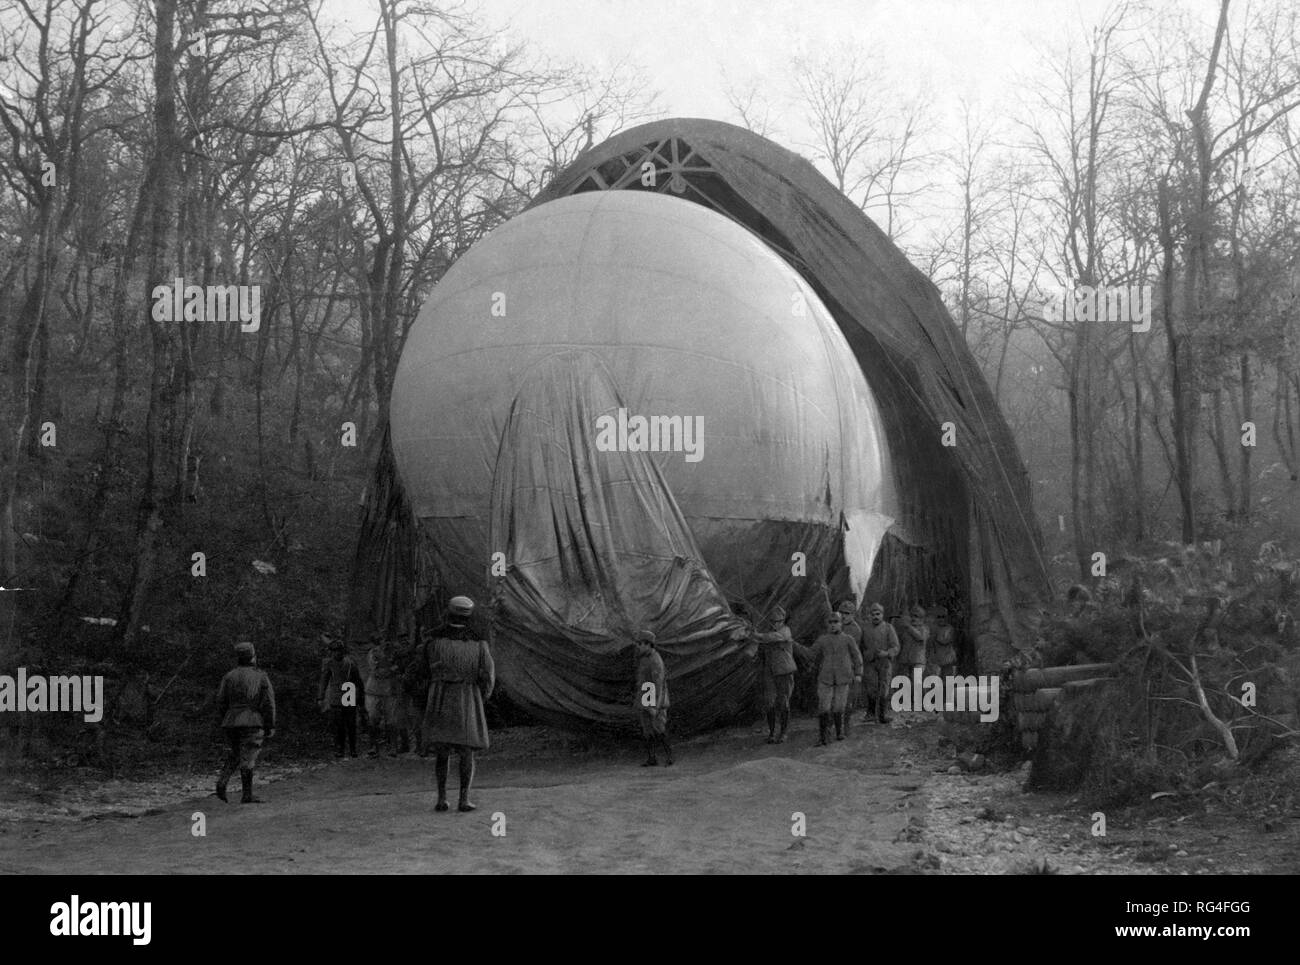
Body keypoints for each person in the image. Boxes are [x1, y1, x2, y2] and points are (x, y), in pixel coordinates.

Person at [423, 596, 495, 812]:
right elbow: (489, 676)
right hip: (467, 697)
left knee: (442, 750)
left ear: (448, 613)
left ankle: (442, 798)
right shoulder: (479, 644)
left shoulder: (433, 642)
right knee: (466, 752)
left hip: (440, 696)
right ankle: (464, 799)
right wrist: (480, 697)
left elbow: (421, 671)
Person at [215, 641, 276, 804]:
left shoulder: (229, 676)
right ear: (252, 657)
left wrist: (226, 719)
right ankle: (247, 795)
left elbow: (221, 701)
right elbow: (269, 703)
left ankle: (222, 782)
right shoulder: (261, 675)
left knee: (235, 753)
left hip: (231, 721)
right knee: (248, 756)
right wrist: (270, 725)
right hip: (252, 720)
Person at [809, 611, 862, 745]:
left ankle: (839, 732)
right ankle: (823, 736)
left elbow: (856, 656)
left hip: (843, 677)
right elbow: (810, 653)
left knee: (839, 706)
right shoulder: (823, 639)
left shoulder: (848, 639)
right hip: (826, 677)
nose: (833, 625)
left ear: (841, 624)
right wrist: (792, 645)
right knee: (824, 707)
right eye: (830, 623)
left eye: (836, 622)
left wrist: (858, 673)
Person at [751, 606, 799, 744]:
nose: (776, 624)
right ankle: (772, 733)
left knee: (783, 703)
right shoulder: (767, 635)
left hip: (785, 672)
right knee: (769, 702)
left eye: (778, 621)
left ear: (783, 621)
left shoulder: (785, 631)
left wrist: (758, 635)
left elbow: (774, 637)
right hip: (770, 673)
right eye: (773, 621)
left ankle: (783, 733)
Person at [319, 635, 364, 759]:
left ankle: (353, 749)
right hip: (336, 697)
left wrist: (360, 699)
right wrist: (320, 697)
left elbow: (358, 682)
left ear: (343, 651)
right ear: (331, 652)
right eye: (334, 651)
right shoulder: (329, 664)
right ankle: (339, 749)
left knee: (351, 724)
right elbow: (324, 680)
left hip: (349, 695)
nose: (336, 653)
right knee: (338, 725)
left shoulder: (350, 664)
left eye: (339, 651)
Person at [365, 630, 409, 757]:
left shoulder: (396, 653)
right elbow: (376, 672)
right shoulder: (374, 653)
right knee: (373, 719)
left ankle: (392, 747)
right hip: (374, 691)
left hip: (390, 691)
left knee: (391, 720)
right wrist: (391, 669)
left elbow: (401, 666)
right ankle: (373, 746)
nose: (386, 643)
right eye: (383, 640)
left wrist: (392, 668)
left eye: (388, 640)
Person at [633, 629, 673, 766]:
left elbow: (659, 684)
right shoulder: (644, 659)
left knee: (659, 729)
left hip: (656, 699)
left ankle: (670, 757)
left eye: (640, 644)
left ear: (648, 644)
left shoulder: (656, 660)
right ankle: (652, 758)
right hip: (646, 696)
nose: (638, 646)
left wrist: (655, 706)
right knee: (647, 731)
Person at [859, 603, 900, 724]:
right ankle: (870, 713)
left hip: (884, 662)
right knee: (871, 688)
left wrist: (887, 653)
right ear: (869, 616)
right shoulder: (864, 628)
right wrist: (866, 654)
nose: (876, 616)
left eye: (878, 614)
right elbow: (859, 647)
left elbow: (896, 646)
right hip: (870, 662)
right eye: (873, 614)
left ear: (882, 615)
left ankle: (882, 715)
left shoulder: (888, 628)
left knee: (884, 688)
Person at [836, 600, 863, 737]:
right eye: (841, 613)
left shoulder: (855, 630)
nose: (844, 616)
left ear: (852, 615)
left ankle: (845, 726)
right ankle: (835, 728)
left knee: (847, 701)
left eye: (847, 613)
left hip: (848, 668)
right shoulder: (835, 625)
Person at [899, 605, 929, 681]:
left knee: (916, 681)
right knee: (904, 683)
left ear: (921, 619)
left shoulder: (924, 628)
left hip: (918, 661)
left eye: (916, 616)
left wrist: (909, 627)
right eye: (912, 616)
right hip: (905, 661)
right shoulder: (905, 630)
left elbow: (920, 637)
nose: (913, 618)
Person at [931, 607, 958, 679]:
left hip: (948, 658)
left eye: (943, 617)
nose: (941, 619)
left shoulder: (949, 628)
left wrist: (936, 636)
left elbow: (945, 640)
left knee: (949, 678)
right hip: (937, 658)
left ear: (946, 618)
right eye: (939, 617)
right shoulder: (934, 628)